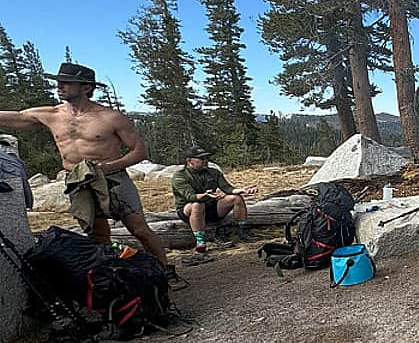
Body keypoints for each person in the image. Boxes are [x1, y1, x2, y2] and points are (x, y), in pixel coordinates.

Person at [0, 62, 170, 269]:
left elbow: (139, 151)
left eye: (66, 83)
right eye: (58, 82)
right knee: (97, 233)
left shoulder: (110, 117)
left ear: (86, 87)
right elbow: (19, 117)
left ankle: (165, 269)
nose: (59, 86)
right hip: (78, 181)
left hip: (113, 178)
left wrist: (111, 166)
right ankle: (109, 274)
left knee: (140, 230)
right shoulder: (52, 115)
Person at [171, 146, 257, 257]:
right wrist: (205, 195)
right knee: (197, 205)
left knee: (236, 198)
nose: (205, 161)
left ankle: (243, 231)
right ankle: (200, 241)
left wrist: (242, 190)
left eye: (206, 158)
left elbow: (227, 188)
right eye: (201, 158)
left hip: (211, 206)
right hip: (188, 210)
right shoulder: (180, 176)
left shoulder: (213, 172)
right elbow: (190, 196)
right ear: (189, 161)